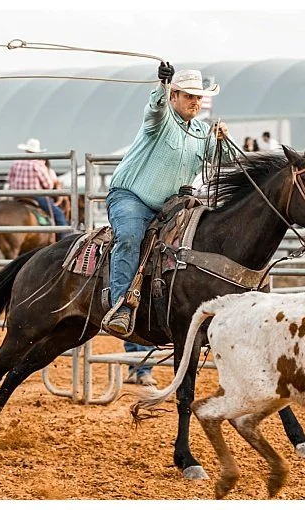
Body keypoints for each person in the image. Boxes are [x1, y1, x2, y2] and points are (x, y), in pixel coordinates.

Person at [102, 59, 228, 385]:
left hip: (173, 206)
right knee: (129, 236)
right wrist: (160, 85)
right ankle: (120, 305)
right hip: (132, 197)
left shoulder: (203, 131)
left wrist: (221, 141)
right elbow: (154, 111)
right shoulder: (161, 120)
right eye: (188, 96)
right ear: (174, 96)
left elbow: (220, 161)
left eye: (198, 97)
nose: (195, 102)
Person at [7, 138, 69, 232]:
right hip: (35, 196)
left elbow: (10, 181)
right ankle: (64, 242)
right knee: (59, 215)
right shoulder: (37, 165)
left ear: (26, 150)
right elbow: (48, 185)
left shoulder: (16, 163)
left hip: (17, 196)